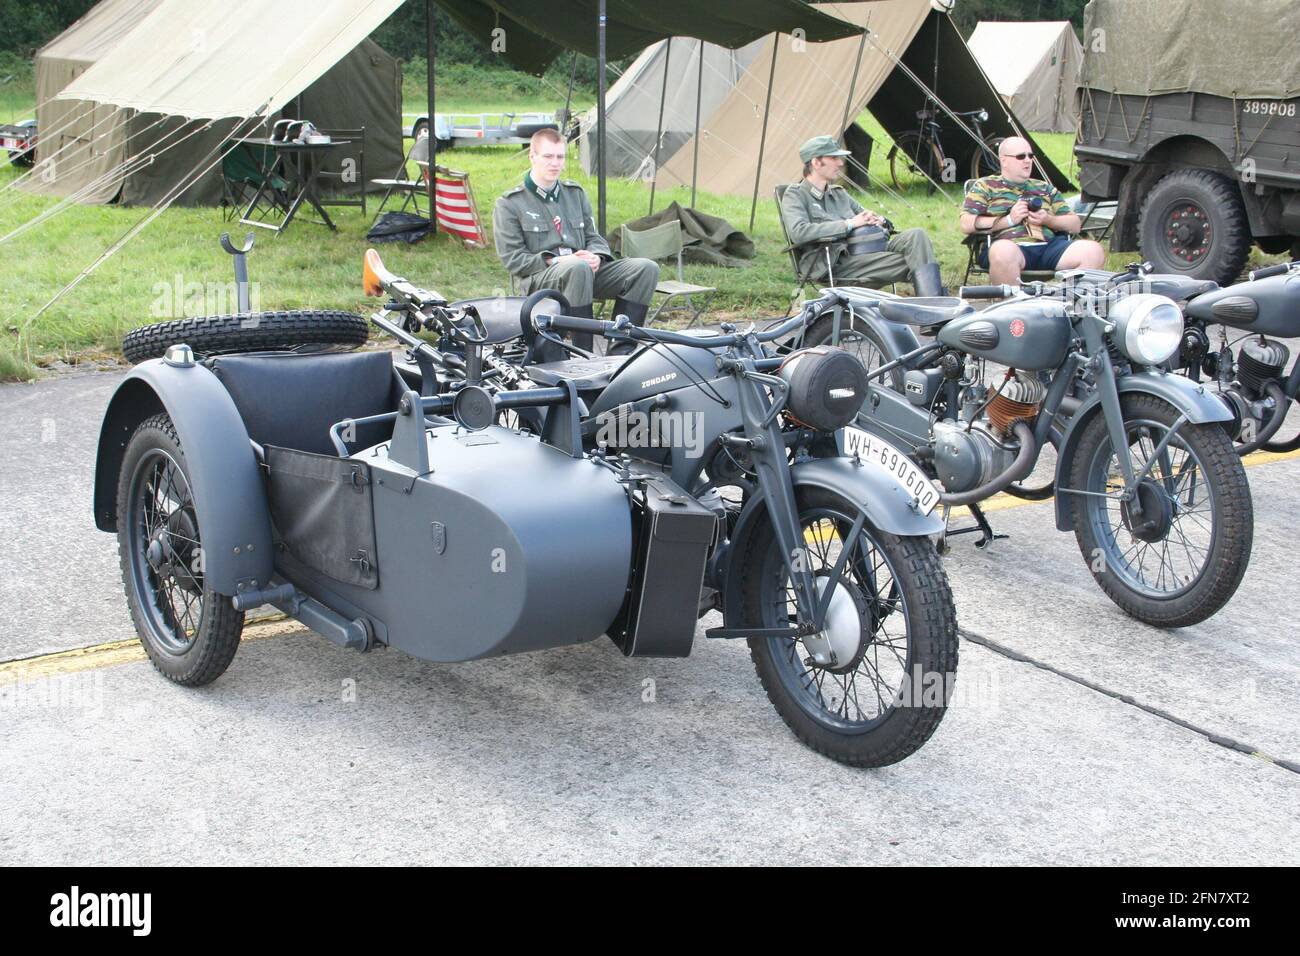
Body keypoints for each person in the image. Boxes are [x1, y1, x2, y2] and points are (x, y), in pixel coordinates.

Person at [493, 127, 658, 350]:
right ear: (532, 157)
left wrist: (597, 256)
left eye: (560, 157)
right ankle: (583, 354)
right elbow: (513, 259)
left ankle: (621, 352)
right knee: (577, 267)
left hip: (581, 271)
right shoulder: (510, 203)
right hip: (539, 278)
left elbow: (594, 236)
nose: (555, 163)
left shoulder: (574, 194)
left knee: (645, 269)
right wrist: (554, 261)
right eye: (548, 156)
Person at [780, 135, 944, 296]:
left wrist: (880, 221)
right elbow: (799, 232)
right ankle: (934, 310)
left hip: (865, 251)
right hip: (836, 262)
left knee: (917, 235)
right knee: (916, 261)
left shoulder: (839, 194)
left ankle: (933, 308)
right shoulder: (796, 195)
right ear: (816, 162)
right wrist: (849, 224)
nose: (840, 163)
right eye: (834, 158)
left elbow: (864, 216)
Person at [960, 136, 1106, 284]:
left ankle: (1071, 303)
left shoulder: (1045, 188)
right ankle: (1012, 304)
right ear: (1003, 160)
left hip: (1049, 247)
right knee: (1003, 251)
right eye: (1020, 156)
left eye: (1030, 156)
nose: (1028, 160)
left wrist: (1049, 220)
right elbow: (966, 224)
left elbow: (1075, 225)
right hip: (1009, 245)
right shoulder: (985, 186)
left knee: (1093, 251)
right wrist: (1009, 220)